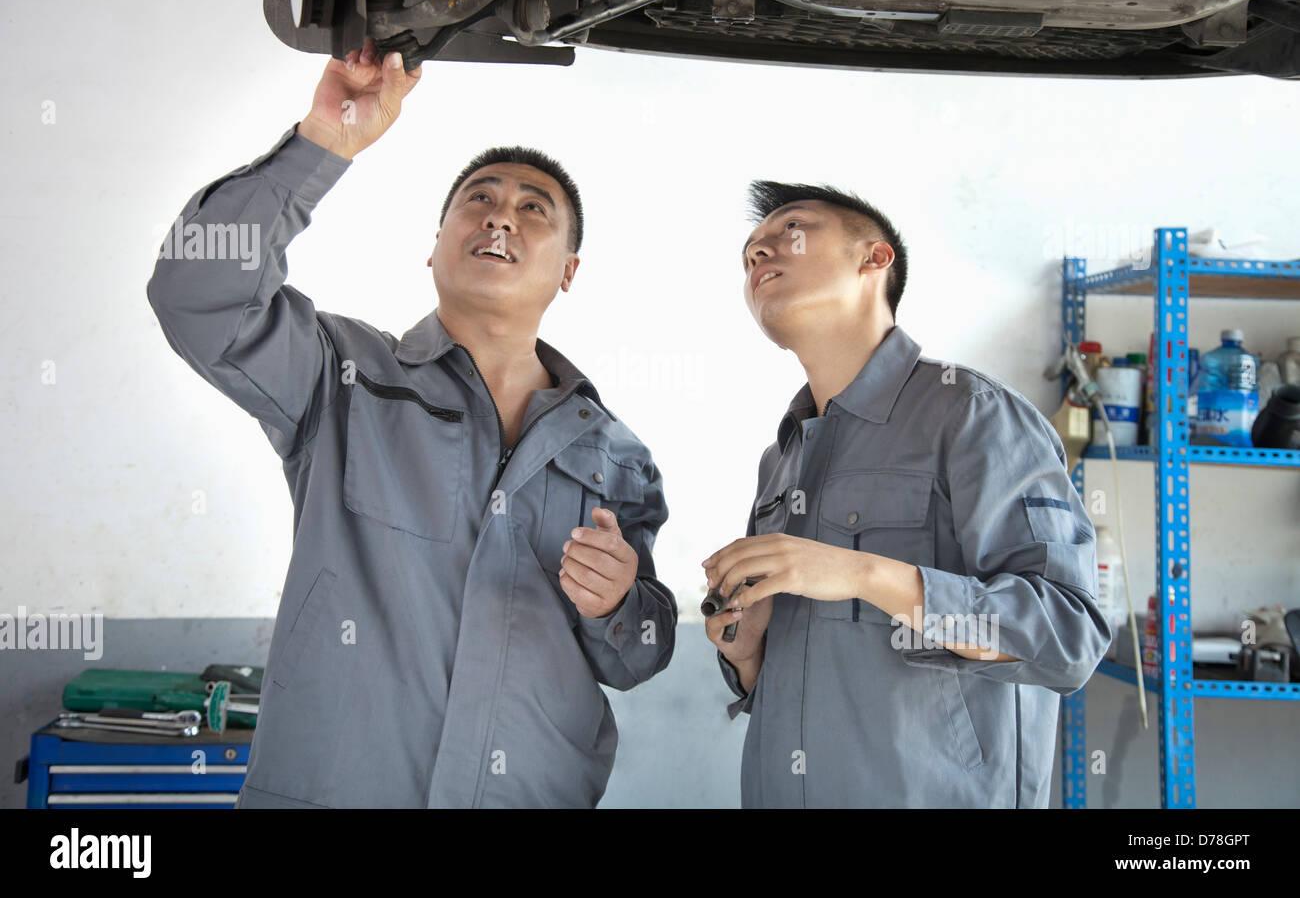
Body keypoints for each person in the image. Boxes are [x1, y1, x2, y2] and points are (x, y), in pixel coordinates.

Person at [147, 39, 675, 808]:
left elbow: (638, 658)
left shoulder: (616, 458)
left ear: (568, 271)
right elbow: (196, 293)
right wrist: (324, 140)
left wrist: (621, 605)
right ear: (433, 249)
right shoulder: (344, 378)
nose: (502, 216)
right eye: (479, 199)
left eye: (535, 209)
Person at [703, 181, 1109, 807]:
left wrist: (859, 571)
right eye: (750, 251)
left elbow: (1067, 638)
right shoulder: (782, 458)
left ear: (874, 259)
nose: (759, 254)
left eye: (792, 231)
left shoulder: (974, 416)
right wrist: (749, 648)